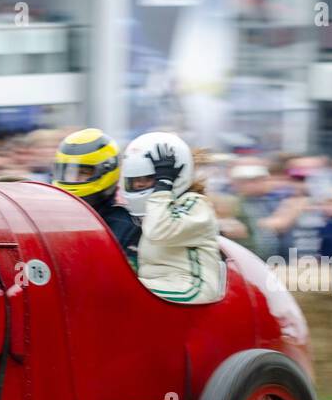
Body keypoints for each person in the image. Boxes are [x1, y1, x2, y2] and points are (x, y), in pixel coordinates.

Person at [120, 131, 223, 304]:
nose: (138, 184)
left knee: (119, 295)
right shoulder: (154, 210)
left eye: (148, 178)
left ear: (172, 177)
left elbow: (159, 232)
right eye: (134, 179)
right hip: (161, 285)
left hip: (191, 288)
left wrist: (163, 185)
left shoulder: (196, 205)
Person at [51, 127, 139, 260]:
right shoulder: (51, 217)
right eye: (69, 172)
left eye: (84, 172)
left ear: (107, 171)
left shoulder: (125, 223)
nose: (74, 179)